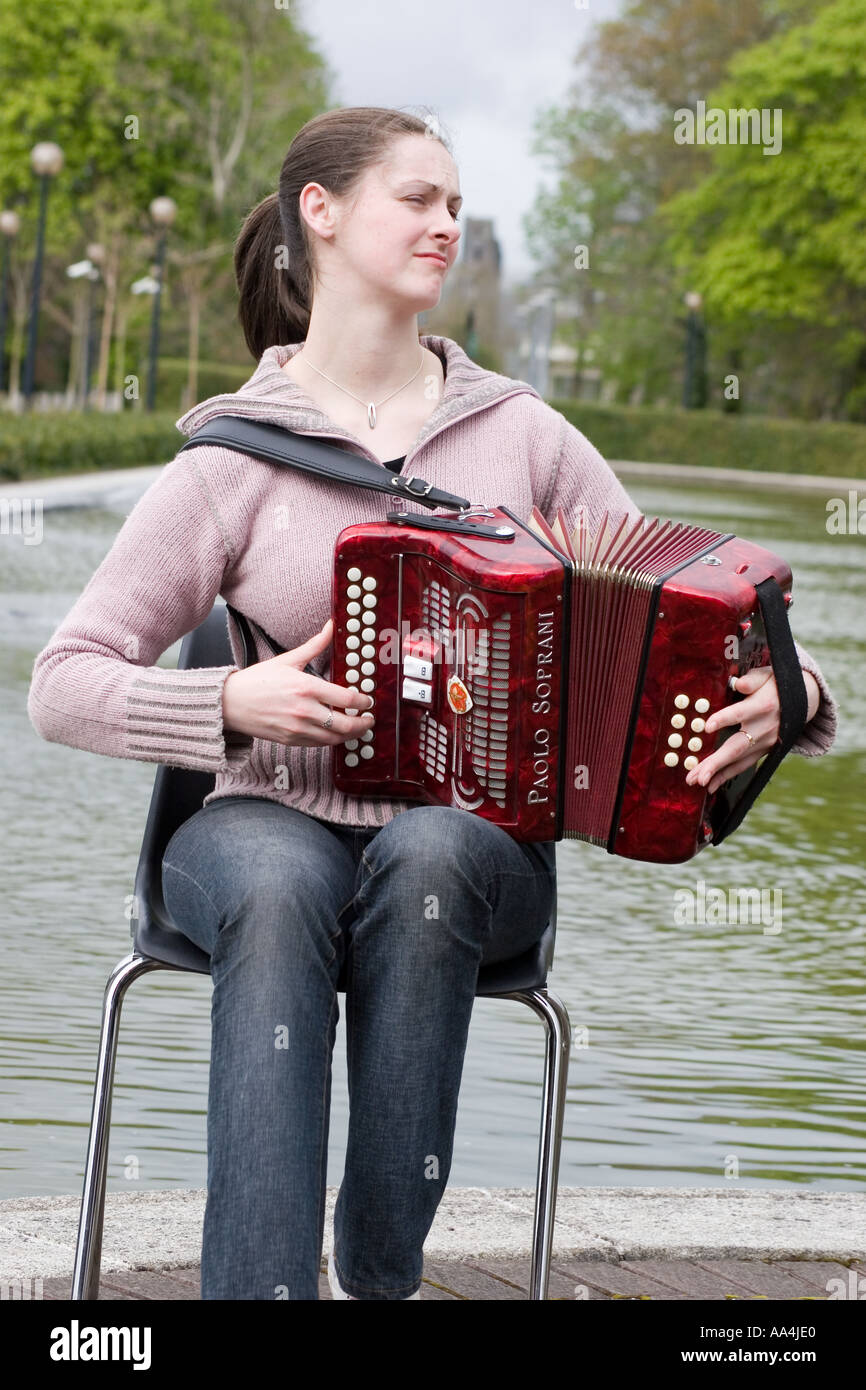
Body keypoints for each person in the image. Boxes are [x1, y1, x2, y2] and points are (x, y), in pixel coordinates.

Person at [27, 106, 837, 1301]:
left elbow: (689, 610)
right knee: (275, 876)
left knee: (429, 851)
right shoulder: (232, 460)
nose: (445, 222)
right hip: (259, 817)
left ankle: (377, 1264)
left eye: (455, 203)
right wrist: (231, 698)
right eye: (417, 198)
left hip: (471, 856)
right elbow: (62, 681)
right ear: (323, 211)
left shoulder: (523, 436)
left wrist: (792, 691)